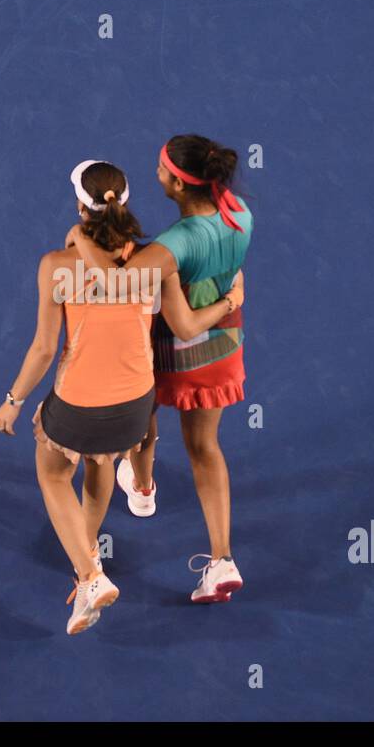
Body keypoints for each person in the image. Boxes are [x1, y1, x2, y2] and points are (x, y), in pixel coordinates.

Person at [0, 160, 244, 634]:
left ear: (79, 206)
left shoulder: (56, 266)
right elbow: (187, 326)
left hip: (79, 405)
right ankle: (85, 548)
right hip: (136, 409)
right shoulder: (156, 262)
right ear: (124, 203)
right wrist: (231, 302)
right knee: (102, 460)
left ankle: (90, 573)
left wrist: (14, 399)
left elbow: (45, 348)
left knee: (51, 472)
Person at [68, 135, 252, 603]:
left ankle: (143, 489)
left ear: (176, 183)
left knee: (140, 429)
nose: (155, 174)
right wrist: (230, 299)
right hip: (223, 349)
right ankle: (222, 561)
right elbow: (235, 273)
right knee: (205, 447)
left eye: (160, 169)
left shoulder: (173, 248)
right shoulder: (239, 211)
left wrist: (78, 240)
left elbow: (112, 284)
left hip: (170, 355)